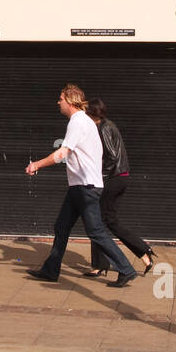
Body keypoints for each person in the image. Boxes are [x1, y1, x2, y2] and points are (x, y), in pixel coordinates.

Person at [24, 84, 138, 287]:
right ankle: (51, 270)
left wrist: (36, 164)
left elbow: (62, 153)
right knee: (61, 226)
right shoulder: (86, 122)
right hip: (80, 185)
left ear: (69, 101)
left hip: (85, 187)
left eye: (60, 98)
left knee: (95, 231)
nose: (58, 102)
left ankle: (126, 268)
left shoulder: (77, 122)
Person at [83, 98, 158, 278]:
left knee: (97, 222)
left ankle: (100, 265)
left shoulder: (104, 128)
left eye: (86, 111)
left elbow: (112, 156)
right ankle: (143, 252)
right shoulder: (106, 125)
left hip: (113, 179)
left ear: (92, 113)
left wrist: (99, 177)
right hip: (120, 178)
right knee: (110, 221)